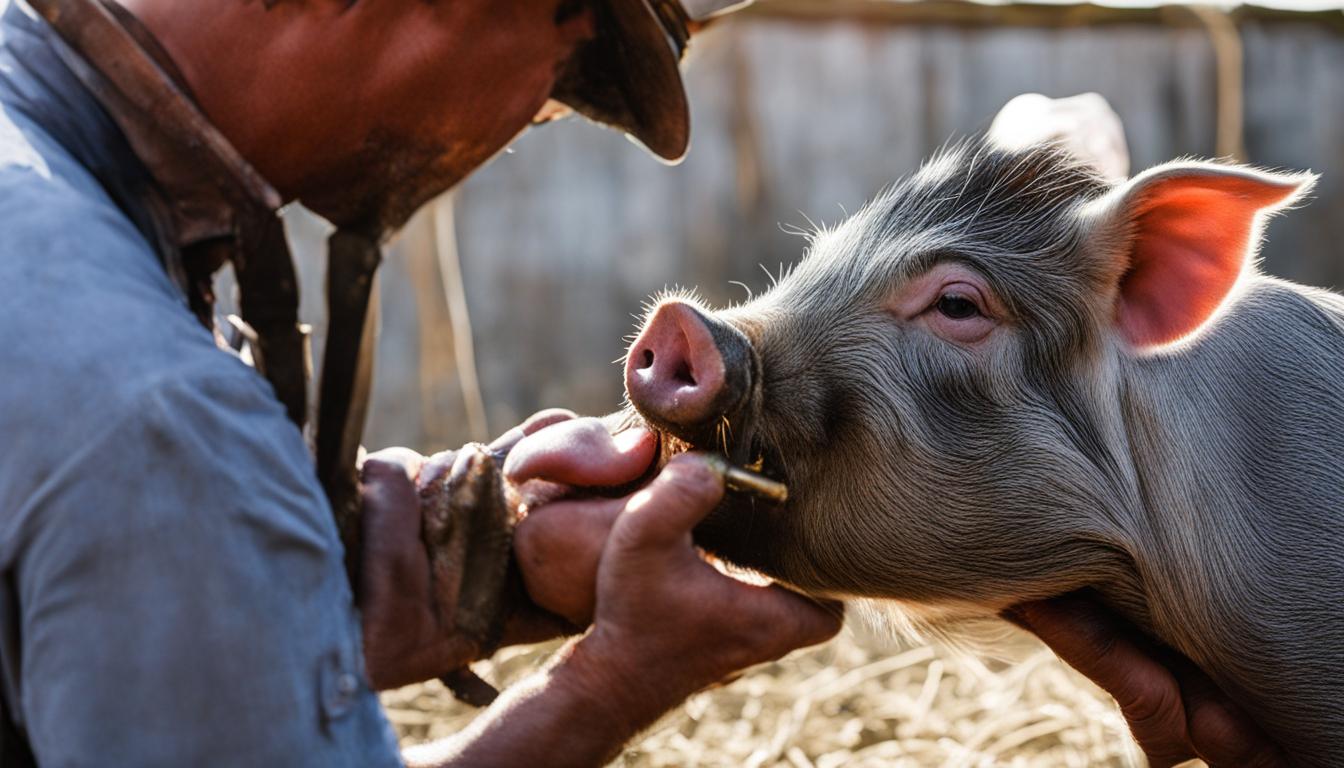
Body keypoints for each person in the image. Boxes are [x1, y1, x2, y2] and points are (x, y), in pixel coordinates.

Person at [0, 0, 1284, 765]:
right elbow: (167, 498)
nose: (529, 117)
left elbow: (150, 598)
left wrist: (491, 545)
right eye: (568, 70)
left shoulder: (53, 186)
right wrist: (615, 681)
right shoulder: (149, 414)